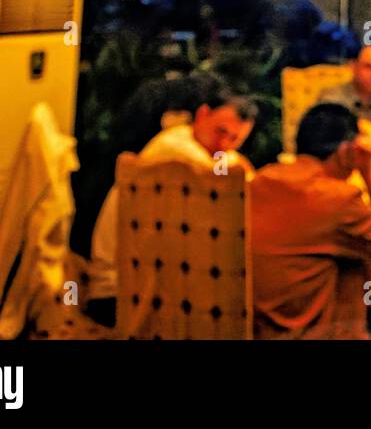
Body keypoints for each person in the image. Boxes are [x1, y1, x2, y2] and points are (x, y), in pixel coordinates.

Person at [86, 74, 258, 327]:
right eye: (220, 132)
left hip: (148, 290)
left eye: (234, 140)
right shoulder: (176, 151)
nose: (224, 144)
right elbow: (235, 180)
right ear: (202, 115)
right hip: (118, 296)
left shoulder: (206, 152)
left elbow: (237, 170)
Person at [250, 103, 371, 339]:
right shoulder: (336, 199)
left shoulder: (263, 179)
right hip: (305, 331)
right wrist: (367, 172)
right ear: (348, 151)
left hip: (259, 325)